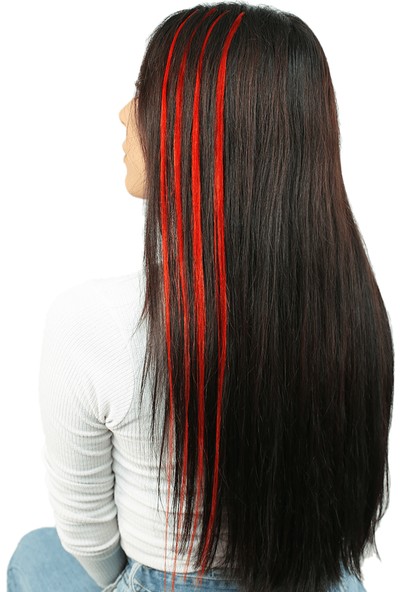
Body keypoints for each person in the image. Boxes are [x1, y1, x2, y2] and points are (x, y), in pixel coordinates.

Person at [7, 2, 393, 591]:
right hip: (322, 577)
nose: (123, 114)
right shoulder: (354, 309)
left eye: (144, 94)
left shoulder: (95, 321)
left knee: (36, 556)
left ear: (204, 133)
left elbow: (88, 537)